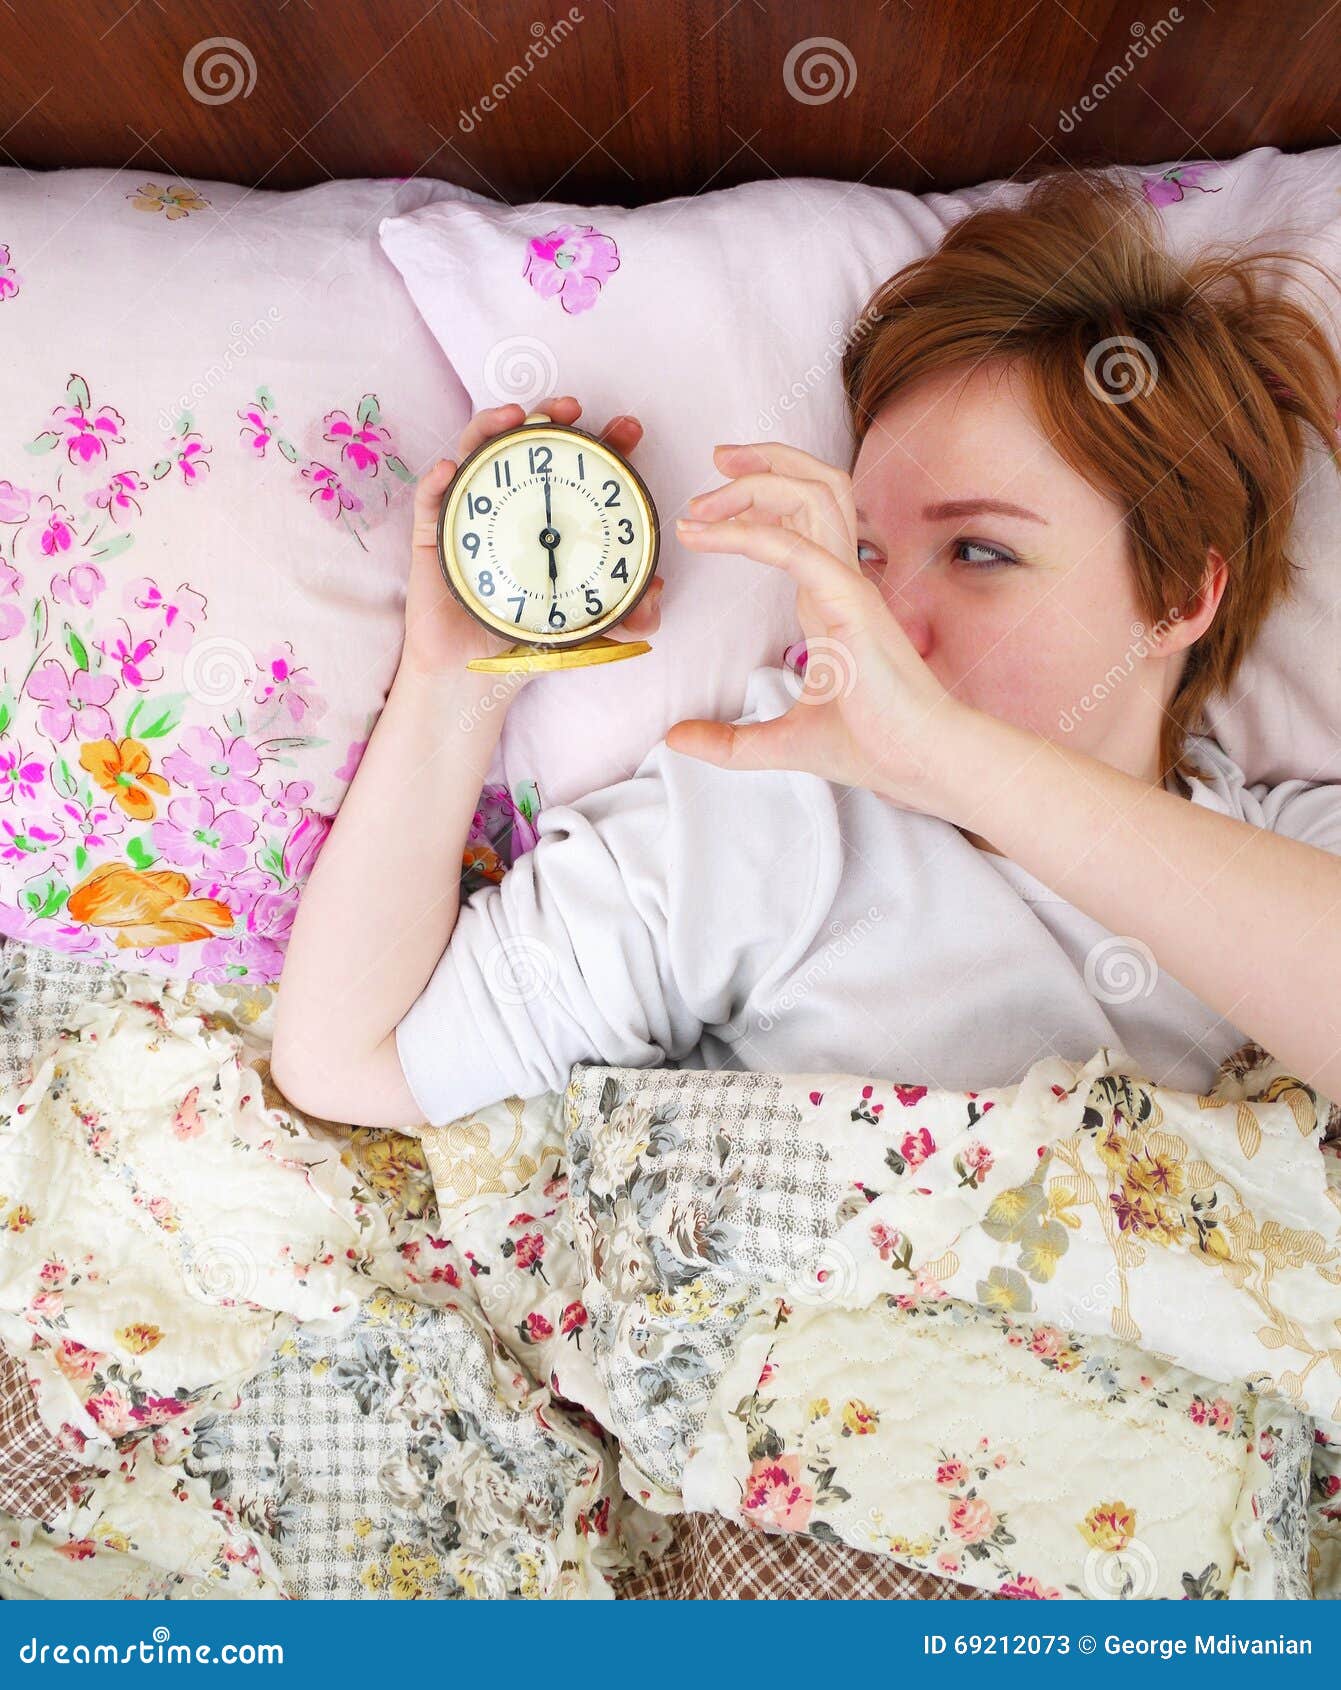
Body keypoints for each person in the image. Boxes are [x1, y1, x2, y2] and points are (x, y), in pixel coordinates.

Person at [271, 168, 1341, 1132]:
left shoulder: (1288, 857)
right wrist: (454, 677)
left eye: (980, 551)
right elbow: (347, 1062)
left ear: (1183, 592)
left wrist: (949, 752)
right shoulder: (769, 814)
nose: (885, 627)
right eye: (865, 556)